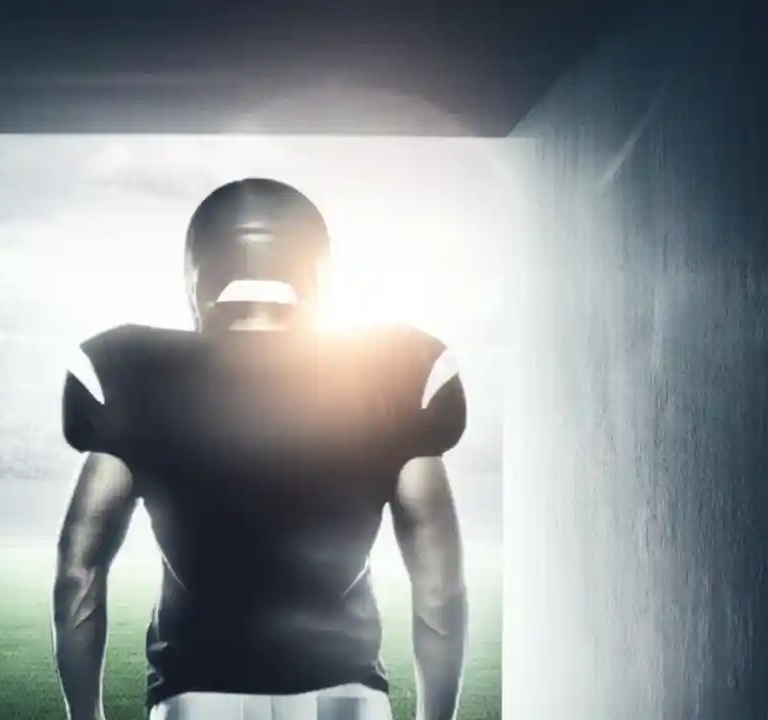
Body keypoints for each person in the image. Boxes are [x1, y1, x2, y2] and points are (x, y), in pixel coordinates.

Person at [53, 178, 468, 720]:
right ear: (316, 273)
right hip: (345, 697)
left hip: (197, 696)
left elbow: (78, 577)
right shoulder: (392, 375)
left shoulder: (133, 375)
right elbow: (439, 589)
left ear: (198, 273)